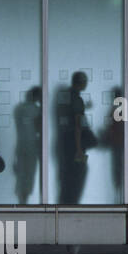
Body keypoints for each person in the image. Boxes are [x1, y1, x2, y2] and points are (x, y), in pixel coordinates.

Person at [55, 72, 92, 204]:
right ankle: (71, 209)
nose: (87, 84)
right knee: (75, 181)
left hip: (64, 144)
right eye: (85, 81)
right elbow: (77, 124)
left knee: (66, 181)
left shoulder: (66, 97)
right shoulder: (76, 99)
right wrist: (79, 149)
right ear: (81, 82)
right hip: (74, 146)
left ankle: (64, 209)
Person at [12, 86, 42, 204]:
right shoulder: (36, 110)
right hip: (31, 146)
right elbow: (39, 128)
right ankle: (24, 202)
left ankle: (21, 202)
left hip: (20, 145)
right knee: (29, 175)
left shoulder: (18, 108)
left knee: (21, 176)